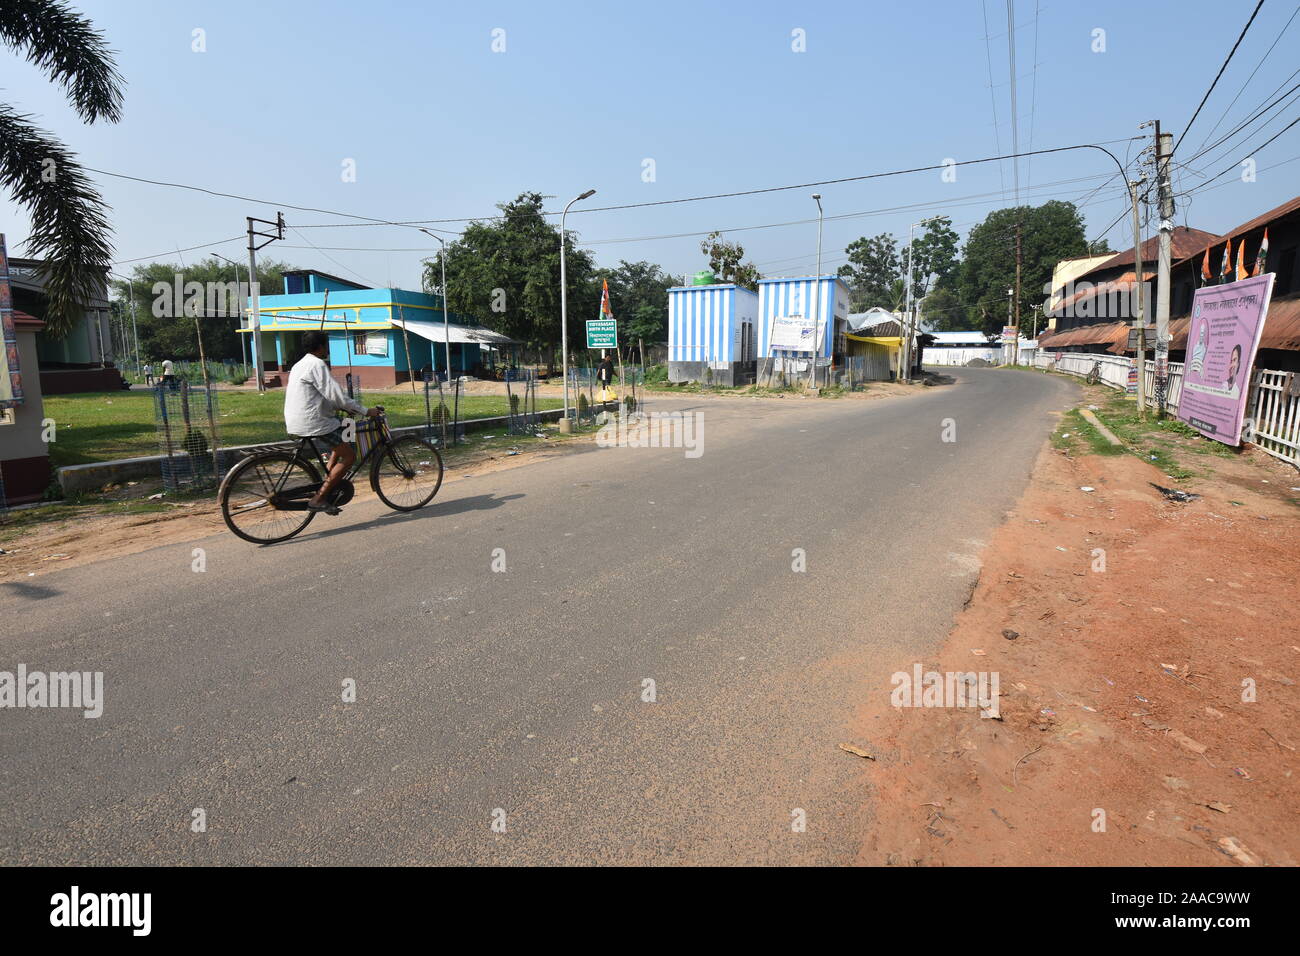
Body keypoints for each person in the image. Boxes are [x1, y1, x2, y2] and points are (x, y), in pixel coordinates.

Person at [284, 331, 381, 513]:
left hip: (298, 418)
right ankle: (319, 498)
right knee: (350, 456)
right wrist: (366, 411)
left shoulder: (299, 364)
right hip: (314, 421)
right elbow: (336, 395)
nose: (327, 349)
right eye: (326, 345)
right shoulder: (317, 364)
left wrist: (342, 408)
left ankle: (330, 479)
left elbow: (318, 396)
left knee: (345, 427)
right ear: (320, 347)